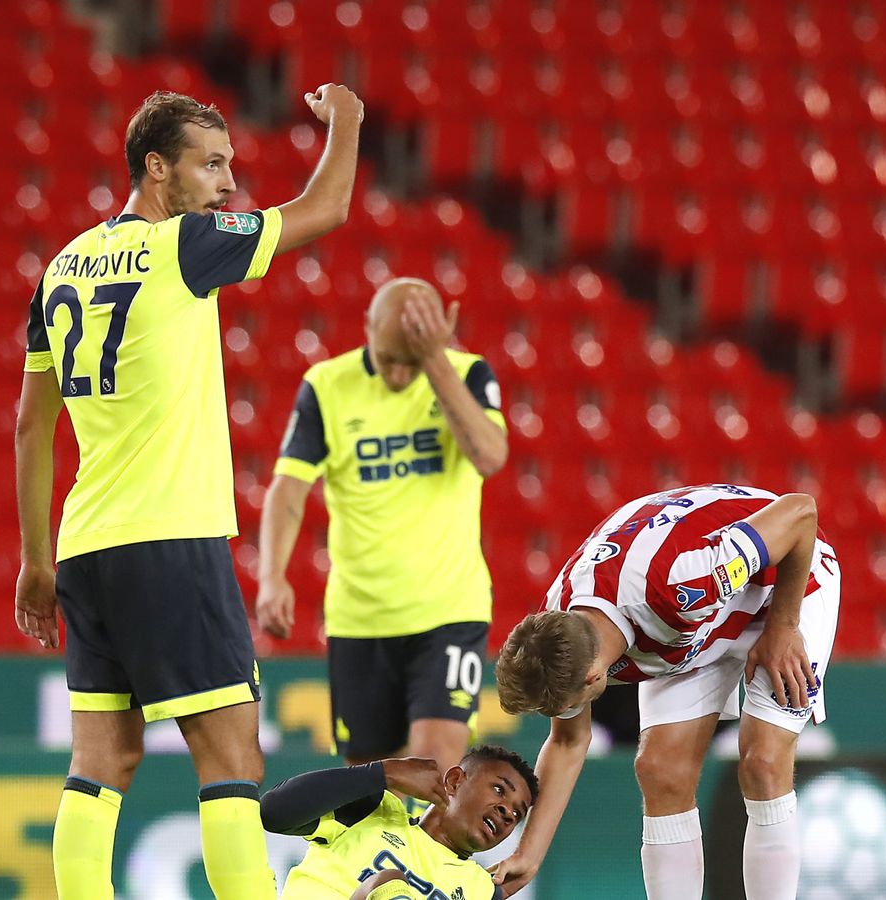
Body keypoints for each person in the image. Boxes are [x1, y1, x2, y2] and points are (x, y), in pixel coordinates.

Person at [12, 84, 364, 900]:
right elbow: (327, 207)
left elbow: (32, 426)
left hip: (86, 545)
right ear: (156, 167)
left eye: (229, 165)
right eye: (210, 165)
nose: (228, 183)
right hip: (170, 538)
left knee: (101, 760)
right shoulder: (184, 245)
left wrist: (35, 561)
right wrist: (347, 121)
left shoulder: (59, 269)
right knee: (232, 755)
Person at [489, 484, 841, 900]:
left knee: (763, 760)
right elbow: (567, 742)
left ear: (593, 679)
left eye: (560, 706)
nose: (558, 714)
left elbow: (800, 512)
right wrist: (528, 855)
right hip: (690, 624)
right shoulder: (559, 635)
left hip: (786, 585)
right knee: (659, 769)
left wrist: (783, 626)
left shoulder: (684, 581)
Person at [256, 278, 508, 772]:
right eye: (389, 358)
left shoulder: (468, 374)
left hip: (449, 609)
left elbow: (490, 456)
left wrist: (434, 362)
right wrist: (271, 576)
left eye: (409, 362)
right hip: (360, 617)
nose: (397, 374)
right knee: (368, 782)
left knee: (435, 765)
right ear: (367, 327)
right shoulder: (327, 385)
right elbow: (288, 487)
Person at [261, 745, 540, 899]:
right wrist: (381, 773)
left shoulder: (480, 889)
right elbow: (273, 812)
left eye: (517, 814)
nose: (507, 812)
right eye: (499, 790)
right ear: (455, 781)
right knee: (387, 881)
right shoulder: (373, 811)